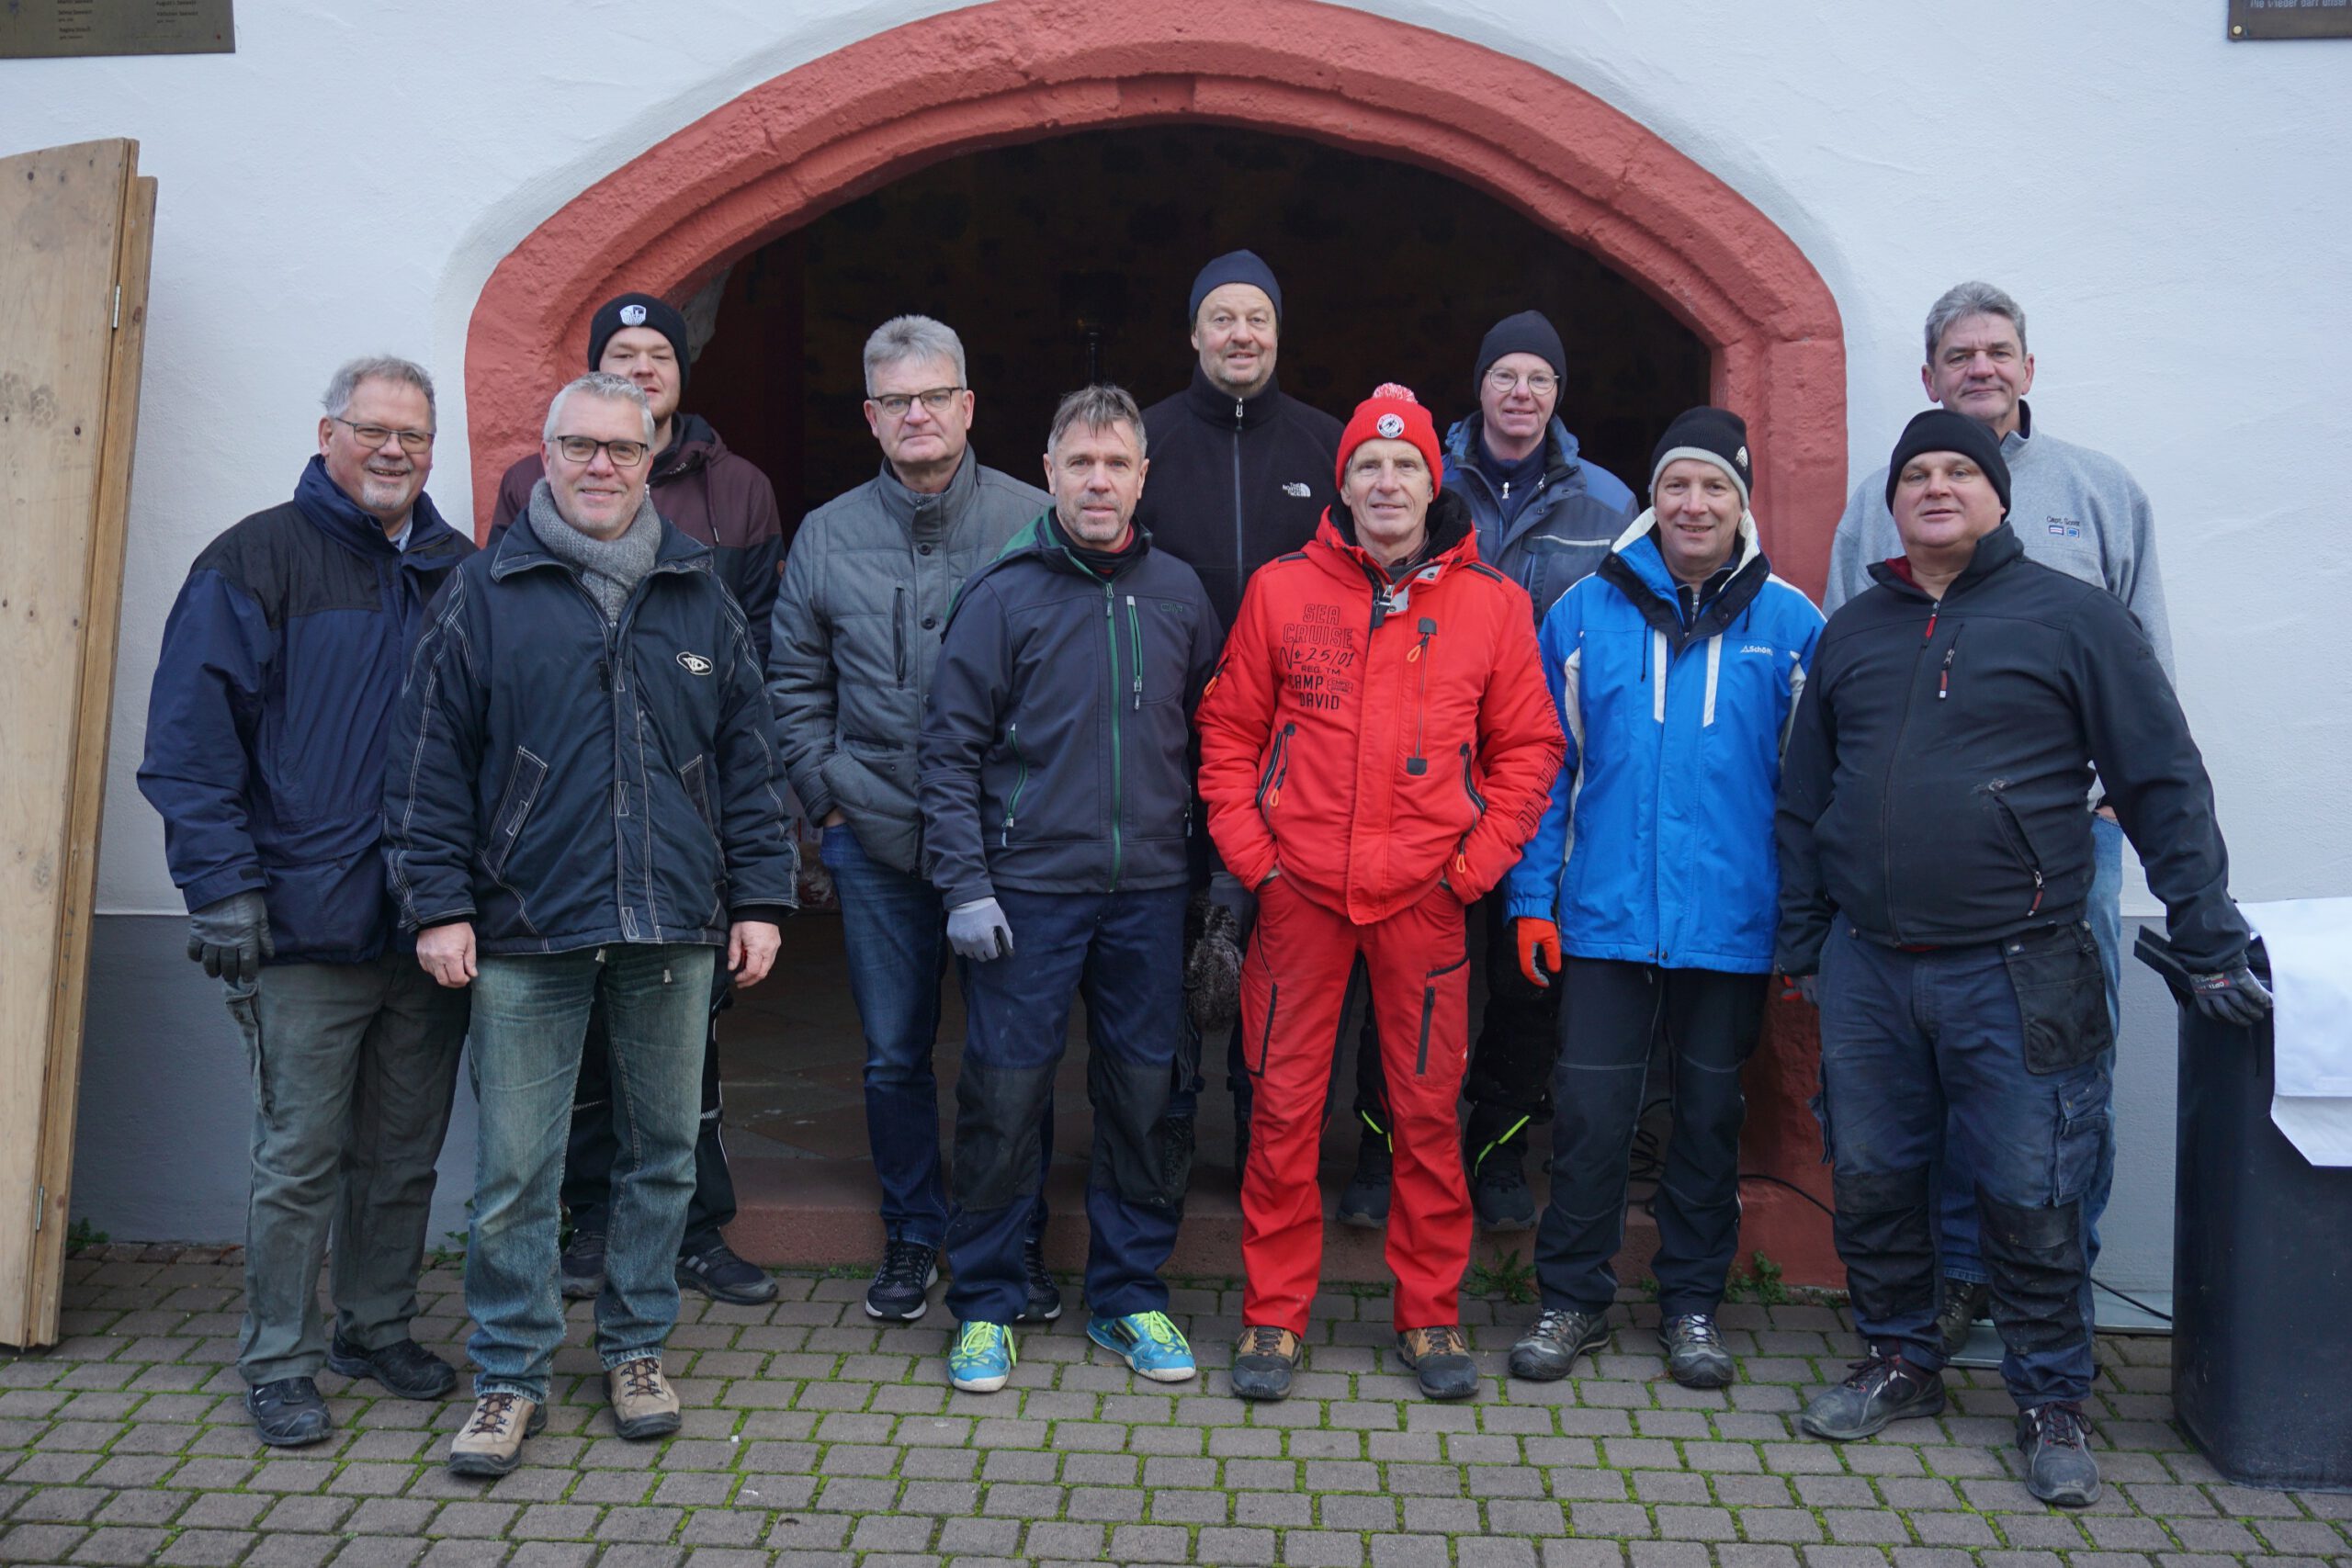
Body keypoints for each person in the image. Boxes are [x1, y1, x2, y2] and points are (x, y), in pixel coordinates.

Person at [1776, 409, 2267, 1507]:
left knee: (2033, 1191)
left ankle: (2051, 1400)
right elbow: (1804, 799)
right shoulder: (1853, 630)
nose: (1936, 487)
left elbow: (2159, 779)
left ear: (1999, 497)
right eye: (1916, 475)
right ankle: (1900, 1356)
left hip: (2019, 964)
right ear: (1892, 504)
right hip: (1868, 966)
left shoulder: (2074, 619)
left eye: (1960, 471)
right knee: (1875, 1179)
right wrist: (1803, 934)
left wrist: (2204, 923)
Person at [387, 373, 797, 1476]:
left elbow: (749, 766)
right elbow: (425, 770)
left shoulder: (699, 595)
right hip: (527, 927)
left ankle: (635, 1347)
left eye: (624, 448)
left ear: (652, 453)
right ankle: (511, 1373)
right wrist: (438, 905)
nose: (603, 466)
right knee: (521, 1168)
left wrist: (760, 897)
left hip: (672, 927)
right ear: (549, 455)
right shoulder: (486, 592)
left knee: (661, 1156)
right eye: (582, 448)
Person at [1824, 282, 2176, 1356]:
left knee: (2058, 1082)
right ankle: (1944, 1289)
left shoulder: (2097, 491)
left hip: (2066, 851)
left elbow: (2141, 658)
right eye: (1957, 356)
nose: (1979, 369)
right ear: (1927, 378)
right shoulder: (1874, 506)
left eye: (1997, 351)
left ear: (2028, 368)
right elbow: (1852, 656)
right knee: (1921, 1081)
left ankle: (2053, 1294)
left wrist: (2123, 792)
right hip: (1911, 874)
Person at [1196, 384, 1563, 1403]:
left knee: (1426, 1111)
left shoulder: (1490, 603)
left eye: (1405, 467)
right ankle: (1271, 1319)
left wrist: (1473, 869)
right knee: (1279, 1109)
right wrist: (1257, 861)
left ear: (1430, 484)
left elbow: (1530, 747)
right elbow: (1226, 734)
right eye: (1369, 466)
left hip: (1425, 899)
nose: (1387, 482)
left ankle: (1430, 1316)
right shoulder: (1281, 591)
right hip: (1298, 896)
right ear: (1343, 485)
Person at [138, 356, 475, 1448]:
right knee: (298, 1156)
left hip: (425, 925)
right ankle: (277, 1360)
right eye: (372, 430)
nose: (394, 452)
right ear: (327, 433)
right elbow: (191, 748)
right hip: (299, 921)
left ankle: (372, 1327)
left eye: (414, 437)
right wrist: (223, 891)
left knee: (403, 1148)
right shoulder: (254, 560)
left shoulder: (459, 571)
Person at [1502, 409, 1821, 1390]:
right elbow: (1544, 769)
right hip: (1602, 919)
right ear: (1651, 498)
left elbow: (1810, 794)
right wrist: (1530, 900)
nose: (1693, 504)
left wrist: (1803, 923)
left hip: (1730, 927)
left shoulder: (1793, 624)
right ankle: (1571, 1301)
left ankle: (1689, 1306)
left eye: (1714, 488)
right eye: (1676, 485)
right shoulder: (1583, 614)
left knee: (1707, 1123)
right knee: (1593, 1117)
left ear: (1741, 503)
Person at [917, 385, 1219, 1394]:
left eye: (1116, 463)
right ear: (1047, 472)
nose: (1098, 480)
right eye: (1079, 462)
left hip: (1150, 896)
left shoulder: (1180, 593)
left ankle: (1129, 1297)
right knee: (1003, 1097)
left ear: (1143, 475)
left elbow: (1215, 749)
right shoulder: (1001, 595)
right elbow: (947, 751)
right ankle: (989, 1303)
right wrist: (964, 884)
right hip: (1026, 896)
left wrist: (1217, 889)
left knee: (1146, 1095)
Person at [492, 293, 788, 1307]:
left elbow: (751, 675)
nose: (643, 367)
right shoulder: (533, 489)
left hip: (679, 833)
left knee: (683, 1070)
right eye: (622, 353)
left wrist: (757, 874)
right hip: (563, 834)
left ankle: (690, 1236)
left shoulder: (737, 488)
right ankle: (588, 1231)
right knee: (574, 1060)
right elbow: (508, 646)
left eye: (658, 353)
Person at [767, 315, 1057, 1325]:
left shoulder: (1033, 520)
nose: (917, 415)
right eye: (897, 401)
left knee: (1009, 1052)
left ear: (968, 406)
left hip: (1007, 837)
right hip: (875, 834)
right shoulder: (827, 533)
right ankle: (913, 1231)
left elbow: (1066, 678)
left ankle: (1009, 1239)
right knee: (894, 1052)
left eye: (934, 395)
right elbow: (791, 682)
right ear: (872, 417)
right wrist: (828, 797)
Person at [1134, 250, 1345, 1186]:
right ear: (1193, 333)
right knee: (1175, 947)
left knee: (1280, 954)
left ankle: (1269, 1136)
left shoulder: (1324, 446)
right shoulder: (1144, 442)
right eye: (1221, 317)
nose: (1240, 335)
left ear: (1279, 331)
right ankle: (1169, 1133)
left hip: (1300, 752)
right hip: (1165, 744)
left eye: (1256, 317)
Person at [1430, 310, 1640, 1231]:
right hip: (1426, 773)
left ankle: (1500, 1149)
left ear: (1558, 395)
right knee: (1416, 980)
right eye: (1505, 375)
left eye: (1539, 379)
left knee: (1527, 984)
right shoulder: (1424, 481)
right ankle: (1388, 1147)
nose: (1521, 393)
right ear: (1478, 386)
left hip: (1544, 783)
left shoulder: (1606, 500)